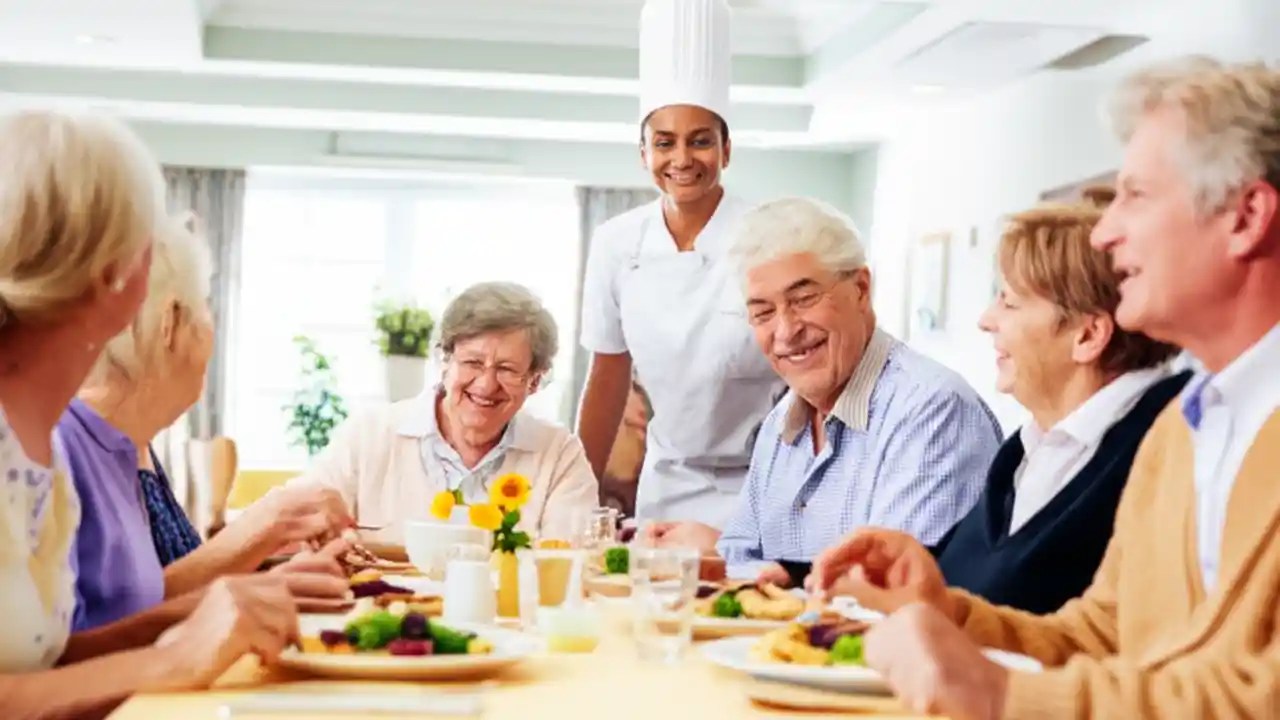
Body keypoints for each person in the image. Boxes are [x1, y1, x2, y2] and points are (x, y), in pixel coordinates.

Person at [809, 56, 1280, 719]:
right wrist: (947, 612)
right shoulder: (1184, 427)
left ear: (1246, 216)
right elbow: (1098, 636)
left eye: (1135, 196)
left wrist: (1000, 693)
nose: (1108, 229)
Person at [0, 109, 335, 717]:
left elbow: (41, 667)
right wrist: (170, 658)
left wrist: (215, 610)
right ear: (121, 278)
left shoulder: (36, 444)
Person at [650, 198, 1003, 577]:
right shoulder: (778, 424)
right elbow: (746, 556)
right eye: (763, 313)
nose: (786, 332)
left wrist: (746, 571)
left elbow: (891, 590)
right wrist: (708, 554)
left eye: (804, 299)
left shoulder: (933, 410)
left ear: (861, 289)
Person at [62, 214, 353, 630]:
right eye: (206, 308)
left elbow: (146, 601)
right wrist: (264, 525)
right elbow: (74, 646)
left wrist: (271, 572)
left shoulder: (133, 445)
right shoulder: (67, 445)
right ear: (170, 324)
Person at [576, 0, 786, 530]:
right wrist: (576, 490)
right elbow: (607, 375)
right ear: (642, 153)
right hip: (665, 483)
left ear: (727, 149)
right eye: (664, 143)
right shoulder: (615, 243)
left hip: (763, 482)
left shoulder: (769, 236)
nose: (682, 160)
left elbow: (802, 374)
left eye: (700, 141)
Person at [929, 203, 1187, 613]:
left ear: (1087, 335)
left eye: (1009, 303)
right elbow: (962, 578)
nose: (986, 320)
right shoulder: (1029, 447)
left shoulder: (1163, 442)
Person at [298, 282, 598, 543]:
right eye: (472, 362)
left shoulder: (560, 455)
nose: (486, 384)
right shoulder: (368, 436)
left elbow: (569, 570)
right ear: (445, 360)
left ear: (534, 380)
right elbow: (295, 527)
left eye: (506, 369)